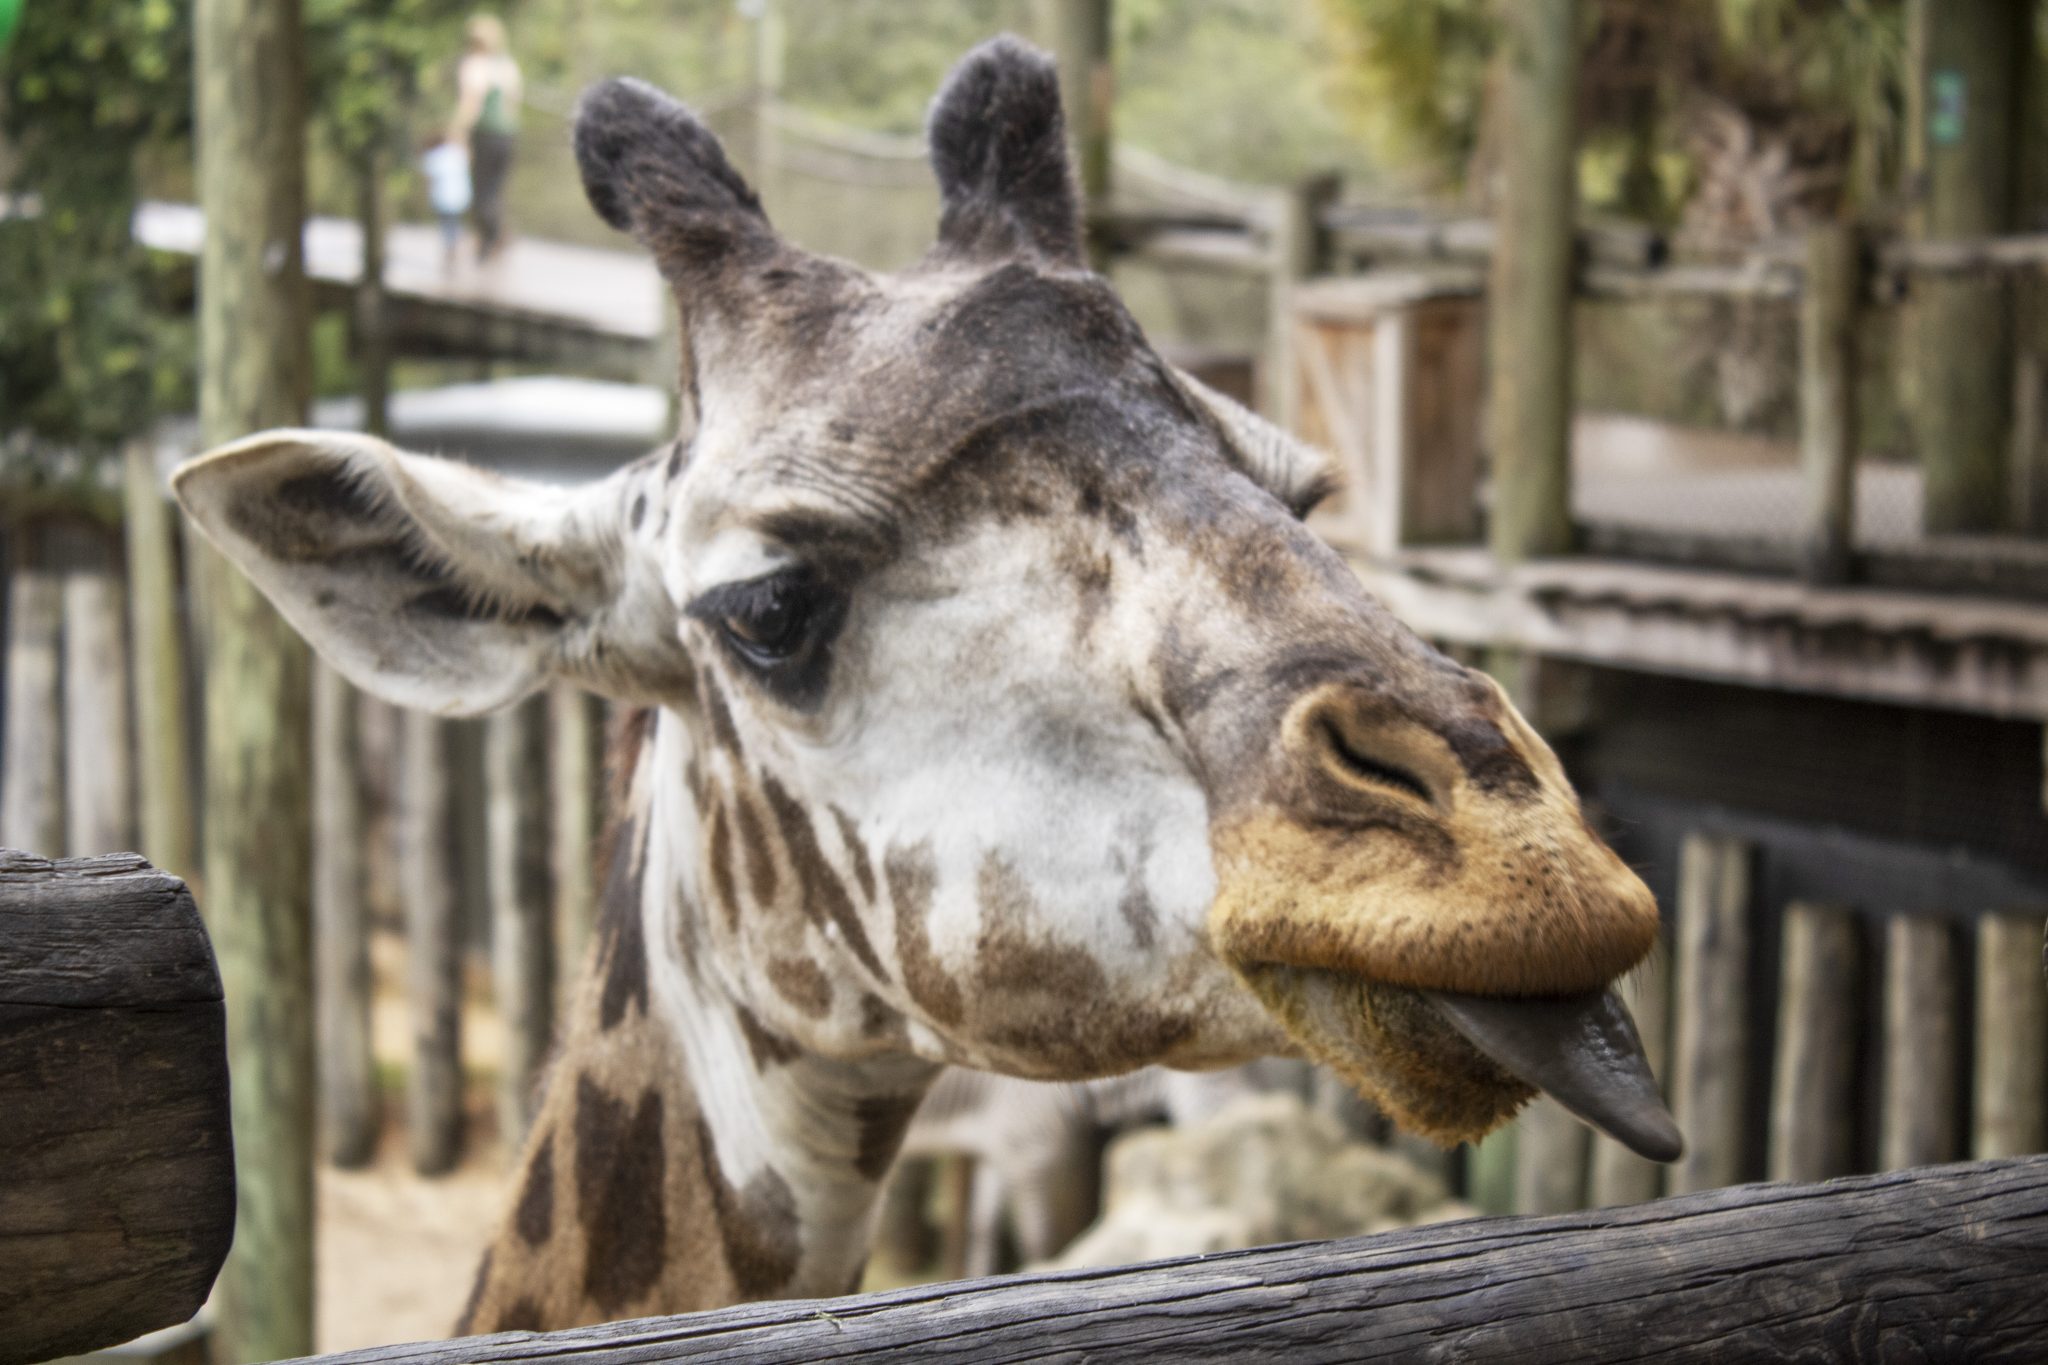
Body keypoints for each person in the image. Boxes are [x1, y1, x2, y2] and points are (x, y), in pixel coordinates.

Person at [448, 13, 521, 263]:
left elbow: (471, 103)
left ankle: (489, 239)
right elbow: (513, 103)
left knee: (481, 191)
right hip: (507, 134)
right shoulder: (507, 65)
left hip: (485, 133)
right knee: (496, 189)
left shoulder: (474, 65)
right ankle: (496, 236)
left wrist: (456, 130)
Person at [421, 136, 472, 275]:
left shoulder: (434, 156)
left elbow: (429, 177)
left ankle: (449, 247)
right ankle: (453, 246)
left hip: (442, 197)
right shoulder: (459, 154)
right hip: (459, 197)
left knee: (445, 225)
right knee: (454, 223)